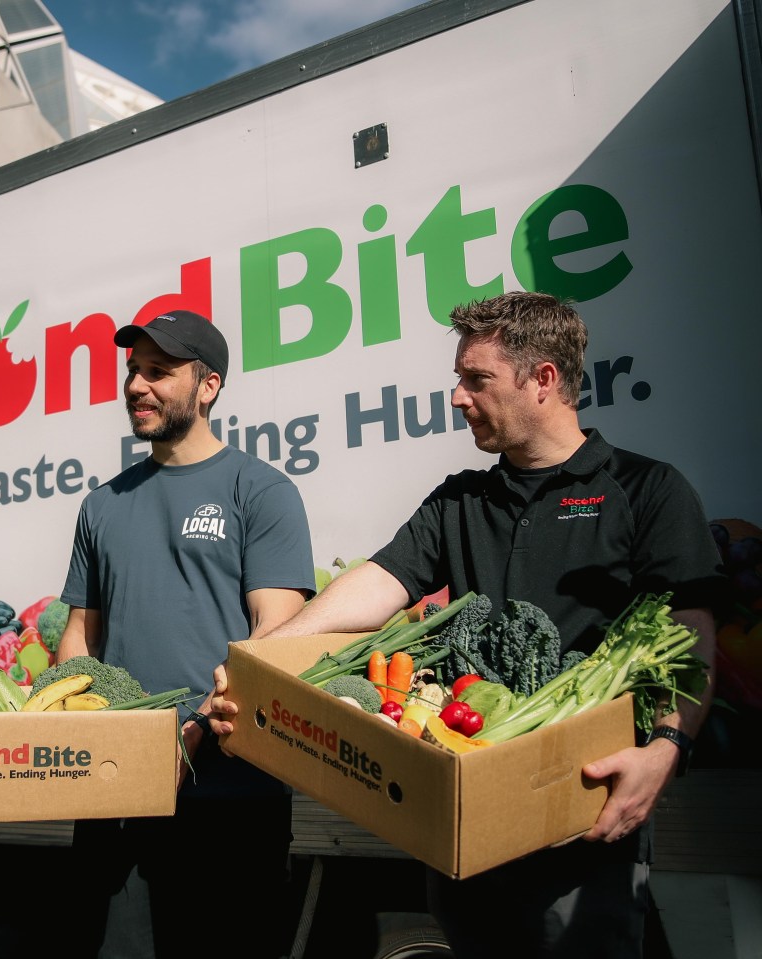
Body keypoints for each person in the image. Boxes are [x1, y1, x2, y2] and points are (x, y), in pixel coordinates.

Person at [210, 291, 724, 959]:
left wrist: (665, 749)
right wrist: (262, 660)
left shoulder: (647, 489)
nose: (457, 396)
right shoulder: (460, 500)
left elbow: (690, 631)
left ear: (543, 379)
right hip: (465, 808)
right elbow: (373, 588)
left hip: (583, 807)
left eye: (475, 379)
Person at [58, 309, 316, 958]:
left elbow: (276, 640)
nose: (138, 386)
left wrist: (191, 737)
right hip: (117, 800)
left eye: (160, 371)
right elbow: (79, 637)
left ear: (209, 385)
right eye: (133, 371)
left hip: (231, 799)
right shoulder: (102, 504)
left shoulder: (260, 490)